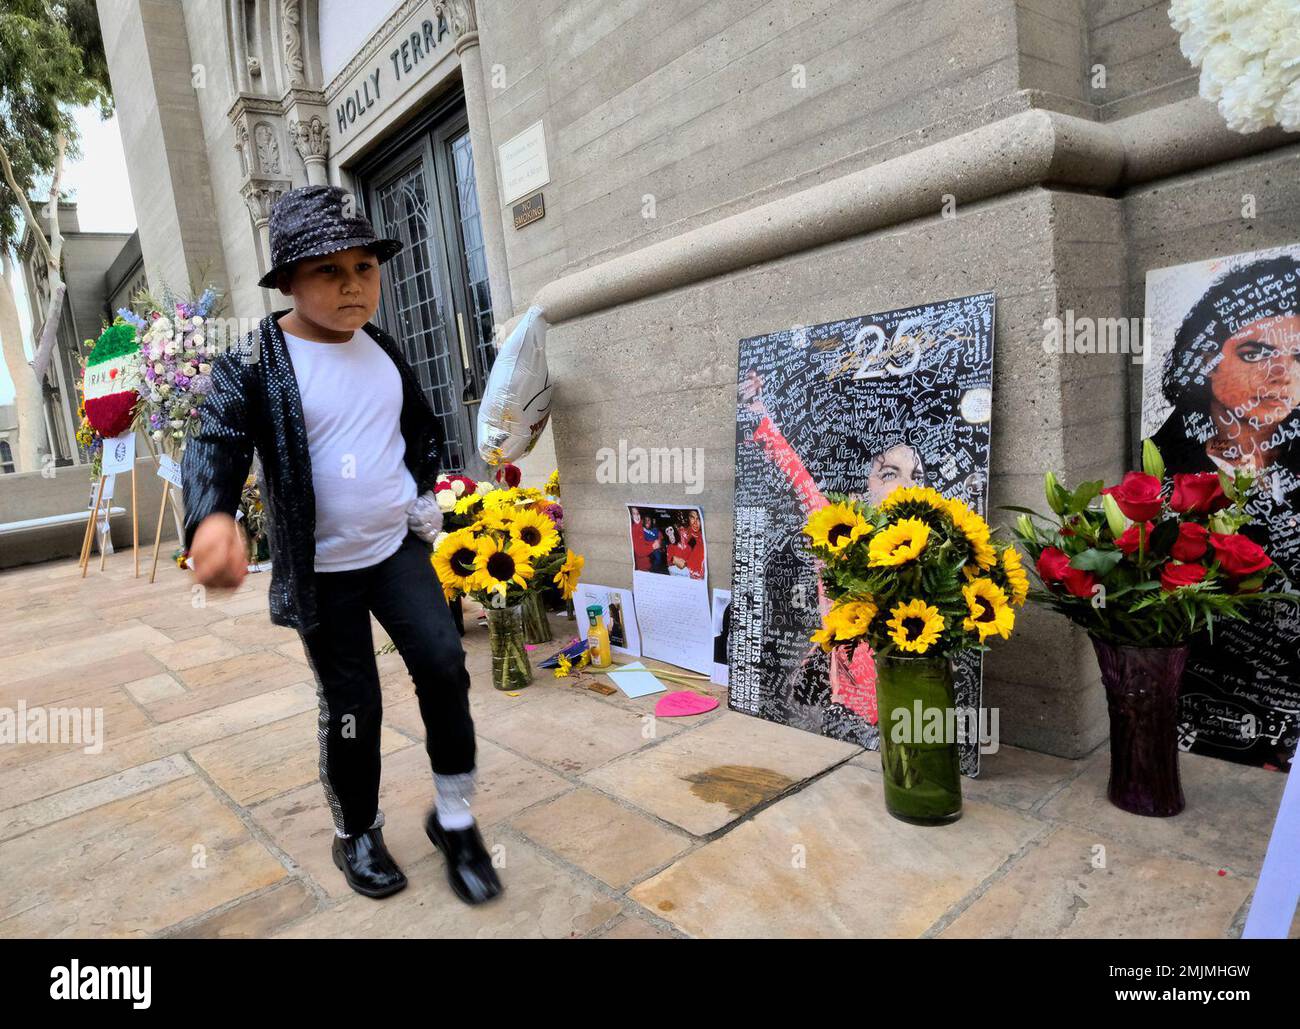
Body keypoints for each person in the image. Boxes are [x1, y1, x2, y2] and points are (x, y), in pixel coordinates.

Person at [182, 185, 502, 904]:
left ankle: (454, 818)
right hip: (325, 569)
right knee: (354, 700)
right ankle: (356, 826)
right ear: (289, 281)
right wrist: (211, 517)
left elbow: (417, 425)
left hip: (395, 550)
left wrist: (422, 491)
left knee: (445, 664)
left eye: (365, 265)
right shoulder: (258, 363)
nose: (353, 283)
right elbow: (216, 439)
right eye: (330, 270)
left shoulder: (382, 347)